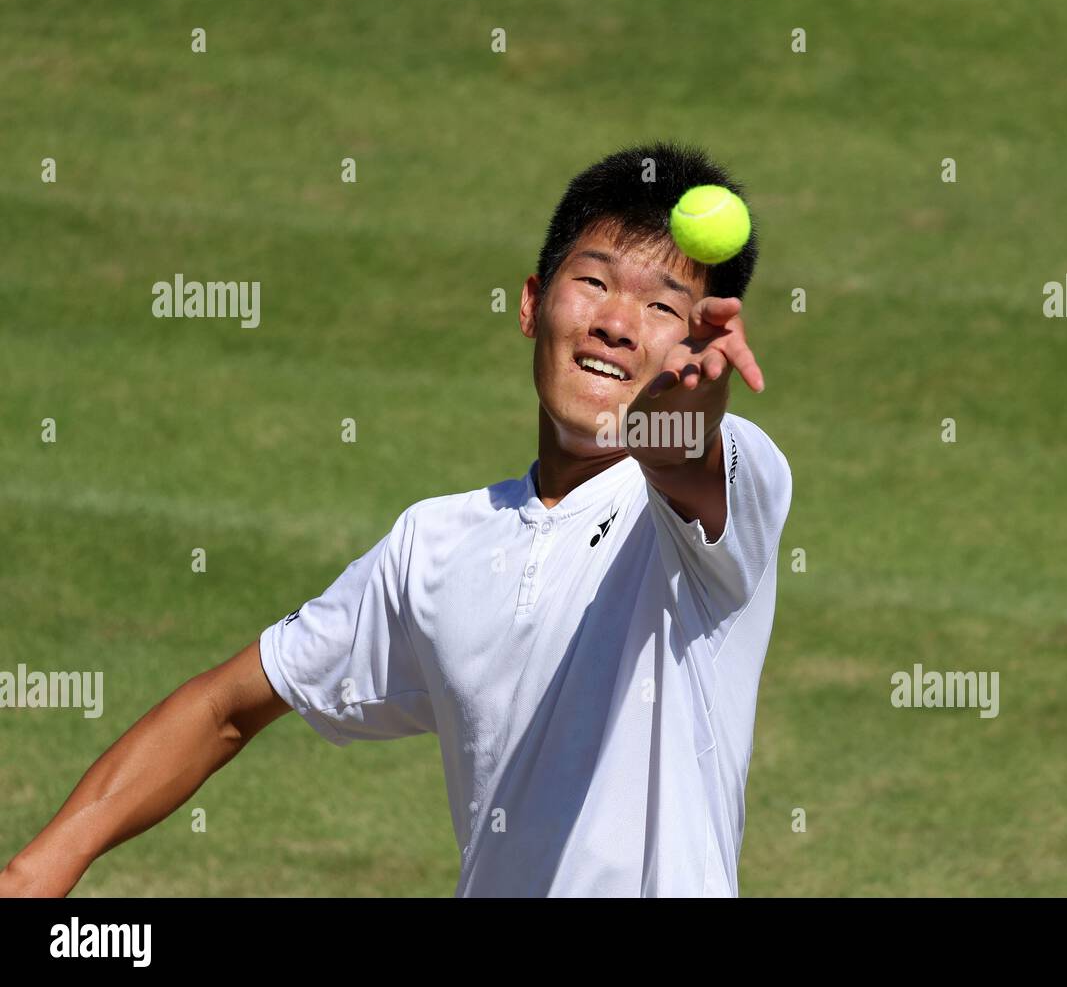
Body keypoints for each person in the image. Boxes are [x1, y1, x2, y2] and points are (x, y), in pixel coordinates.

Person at [0, 140, 793, 898]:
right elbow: (225, 707)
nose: (617, 323)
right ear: (530, 303)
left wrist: (686, 412)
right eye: (593, 283)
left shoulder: (724, 502)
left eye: (662, 306)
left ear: (701, 340)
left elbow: (682, 455)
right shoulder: (436, 545)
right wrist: (35, 873)